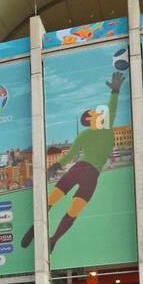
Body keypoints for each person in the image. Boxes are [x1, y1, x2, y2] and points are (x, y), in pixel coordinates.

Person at [20, 56, 127, 252]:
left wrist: (115, 90)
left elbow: (112, 107)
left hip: (89, 174)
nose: (99, 112)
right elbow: (70, 155)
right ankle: (35, 229)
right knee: (52, 201)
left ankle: (53, 240)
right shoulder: (87, 134)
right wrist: (55, 166)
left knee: (73, 210)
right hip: (83, 170)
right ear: (89, 118)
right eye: (95, 112)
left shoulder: (104, 128)